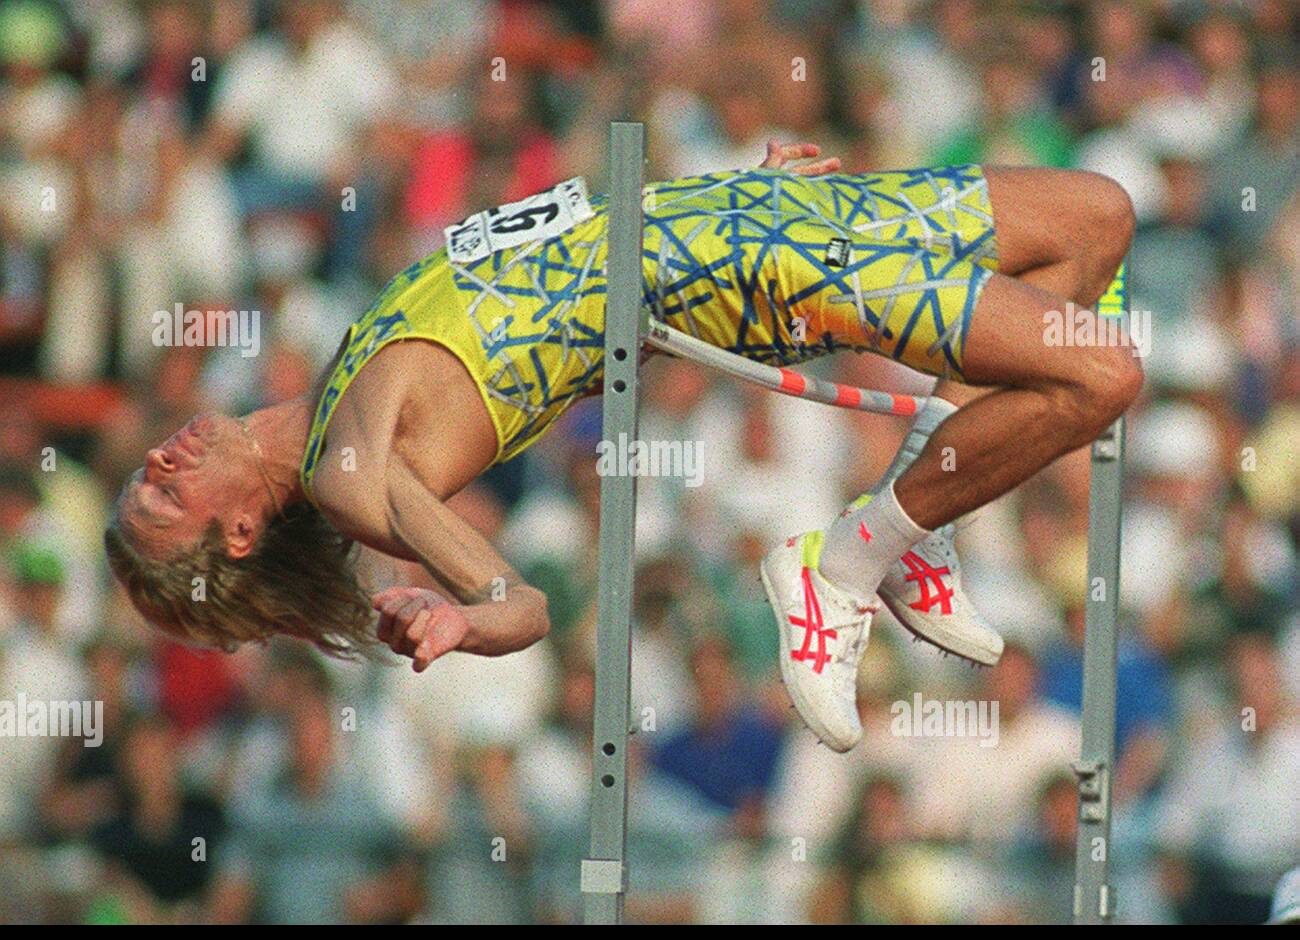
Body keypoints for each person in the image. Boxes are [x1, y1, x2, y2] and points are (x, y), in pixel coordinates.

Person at [105, 140, 1141, 753]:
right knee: (1101, 373)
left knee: (1095, 220)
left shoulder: (345, 363)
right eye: (162, 502)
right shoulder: (348, 474)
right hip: (763, 270)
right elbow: (524, 603)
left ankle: (914, 522)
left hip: (735, 214)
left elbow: (563, 261)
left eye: (143, 476)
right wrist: (459, 617)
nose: (156, 463)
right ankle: (849, 561)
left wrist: (736, 185)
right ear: (239, 532)